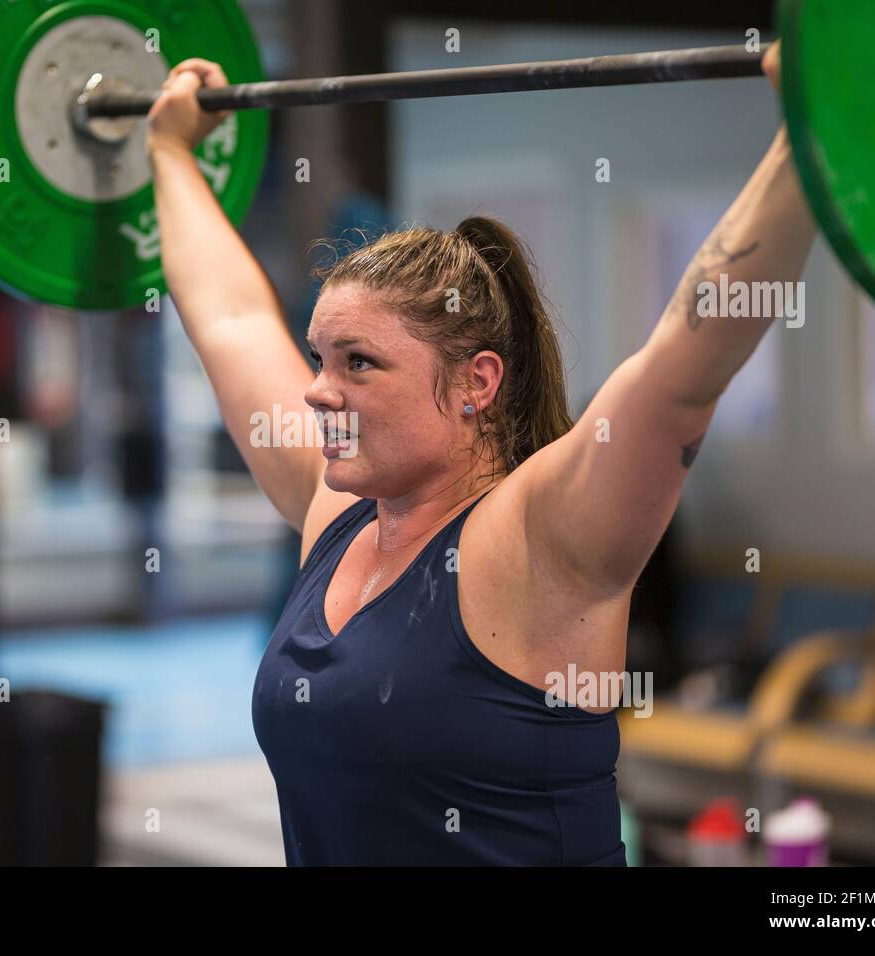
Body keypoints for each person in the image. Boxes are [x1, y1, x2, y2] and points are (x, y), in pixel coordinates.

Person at [144, 43, 814, 865]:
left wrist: (811, 137)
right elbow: (233, 320)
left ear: (477, 381)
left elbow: (686, 363)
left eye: (359, 362)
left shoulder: (543, 538)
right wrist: (170, 152)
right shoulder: (336, 515)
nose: (318, 391)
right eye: (318, 359)